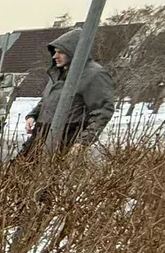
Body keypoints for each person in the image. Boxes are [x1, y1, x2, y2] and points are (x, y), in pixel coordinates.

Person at [20, 28, 115, 157]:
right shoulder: (58, 72)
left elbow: (102, 111)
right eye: (55, 52)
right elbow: (49, 100)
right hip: (41, 134)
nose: (55, 56)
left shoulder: (94, 74)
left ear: (74, 51)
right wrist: (33, 115)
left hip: (67, 137)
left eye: (60, 52)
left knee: (52, 170)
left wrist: (83, 142)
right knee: (16, 168)